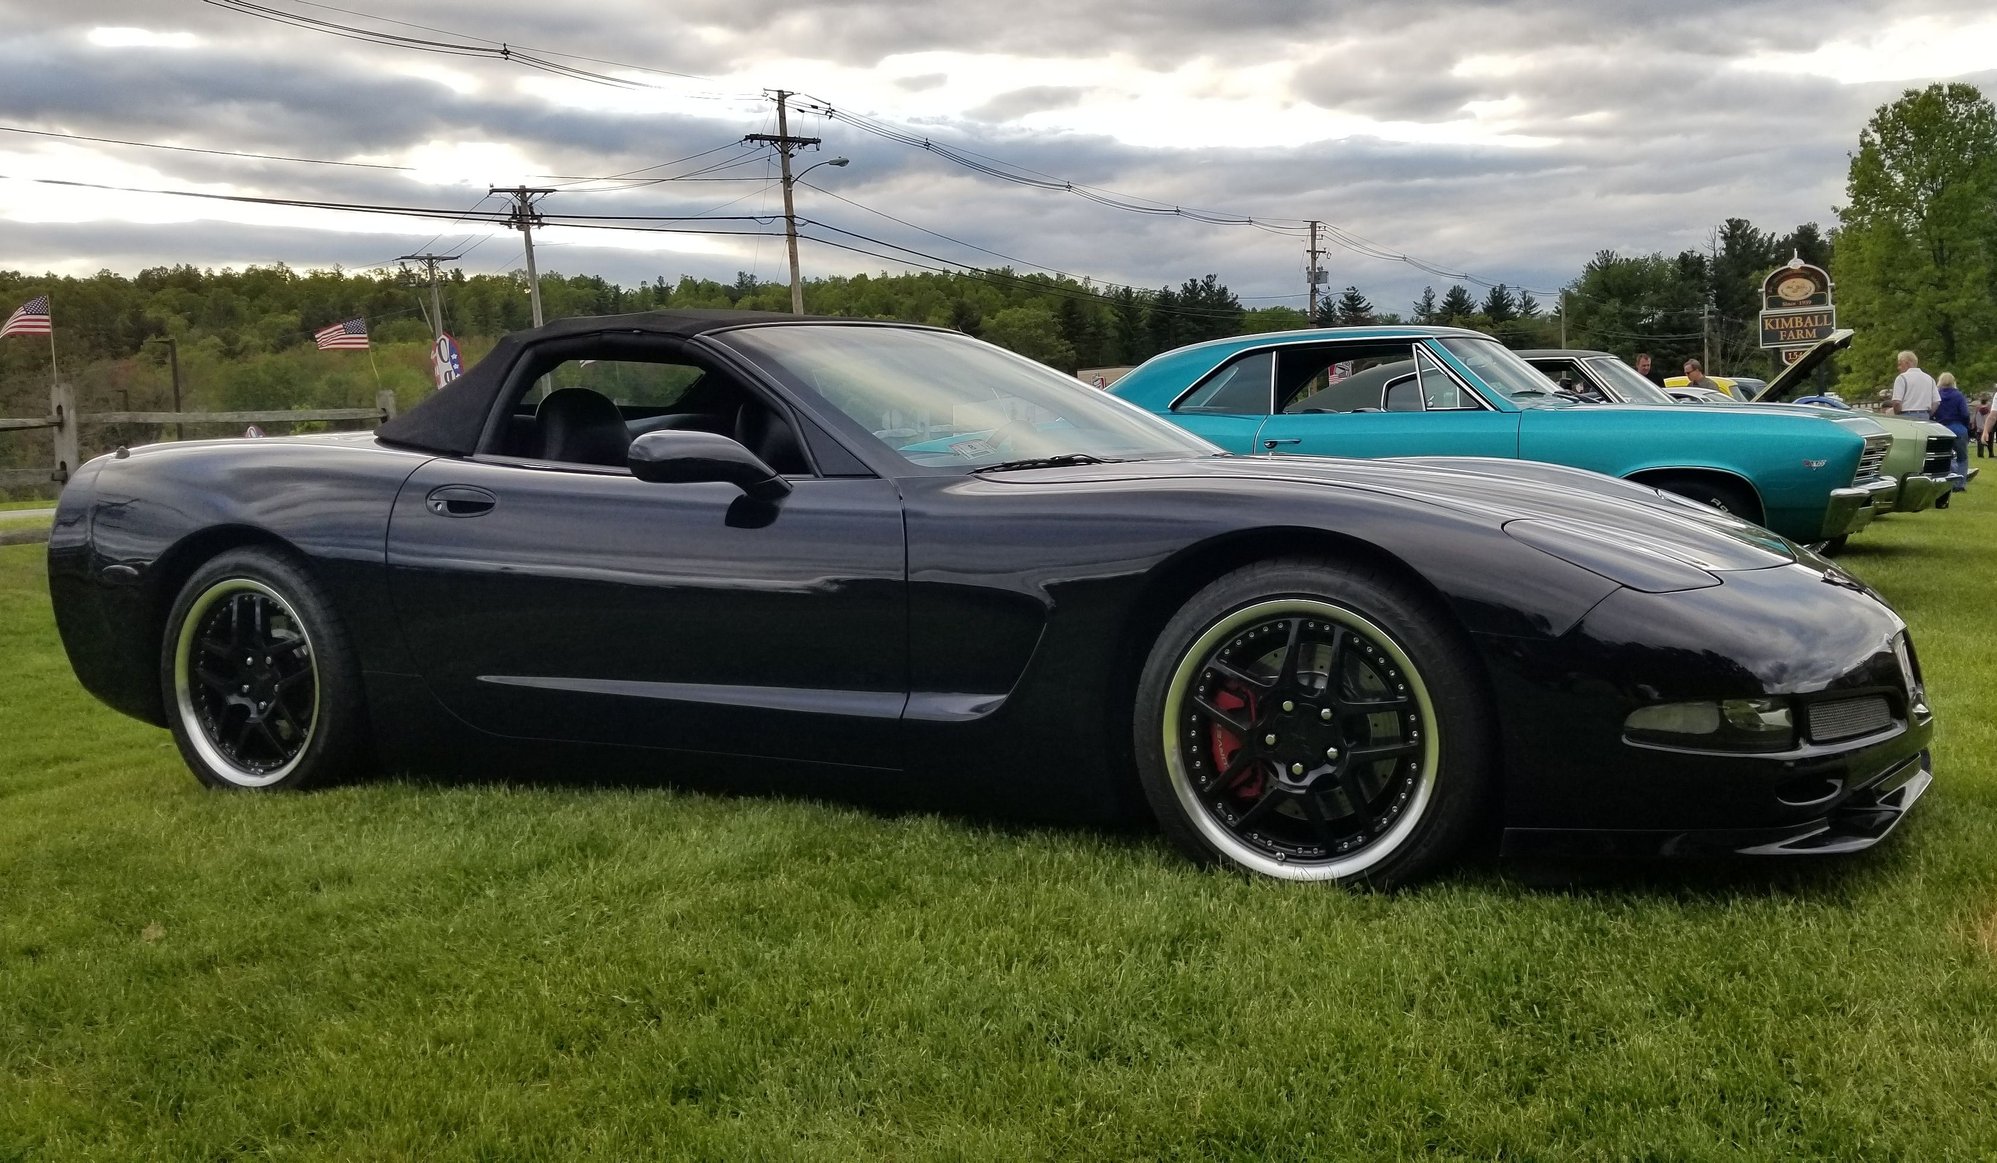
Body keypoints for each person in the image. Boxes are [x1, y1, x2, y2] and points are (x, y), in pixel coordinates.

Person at [1934, 372, 1972, 492]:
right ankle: (1959, 484)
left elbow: (1933, 411)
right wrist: (1966, 425)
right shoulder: (1959, 395)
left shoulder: (1937, 395)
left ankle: (1944, 481)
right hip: (1958, 428)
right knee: (1962, 457)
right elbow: (1965, 413)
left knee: (1943, 457)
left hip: (1942, 428)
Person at [1887, 350, 1939, 419]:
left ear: (1907, 363)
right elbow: (1936, 402)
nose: (1898, 368)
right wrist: (1928, 414)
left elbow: (1897, 402)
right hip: (1925, 415)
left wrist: (1897, 414)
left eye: (1900, 364)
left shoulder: (1902, 378)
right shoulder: (1930, 379)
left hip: (1906, 415)